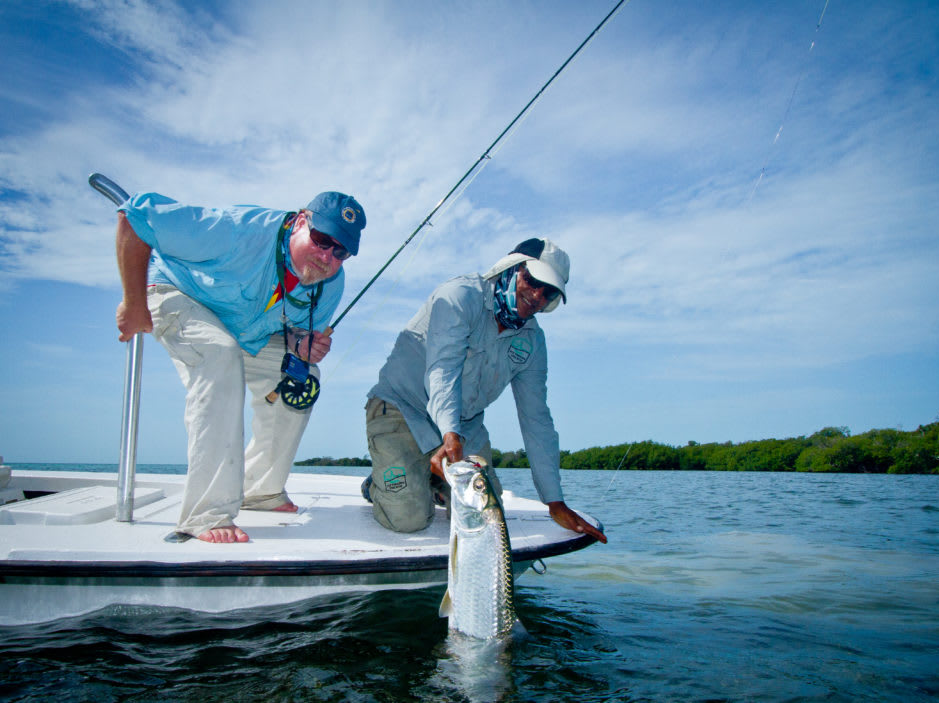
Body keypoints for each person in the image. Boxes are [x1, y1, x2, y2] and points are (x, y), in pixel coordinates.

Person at [115, 190, 366, 543]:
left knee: (302, 375)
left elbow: (294, 331)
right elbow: (135, 216)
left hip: (247, 331)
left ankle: (260, 491)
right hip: (179, 294)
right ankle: (205, 513)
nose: (326, 255)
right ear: (299, 222)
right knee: (220, 354)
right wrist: (133, 301)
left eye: (340, 251)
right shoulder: (236, 230)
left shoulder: (330, 285)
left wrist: (301, 344)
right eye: (321, 239)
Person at [363, 238, 606, 543]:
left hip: (465, 429)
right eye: (532, 280)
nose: (536, 295)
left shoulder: (532, 342)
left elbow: (536, 419)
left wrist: (554, 501)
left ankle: (431, 478)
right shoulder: (460, 296)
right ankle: (381, 484)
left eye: (549, 292)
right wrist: (448, 433)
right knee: (409, 520)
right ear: (512, 268)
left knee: (487, 521)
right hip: (402, 409)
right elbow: (442, 369)